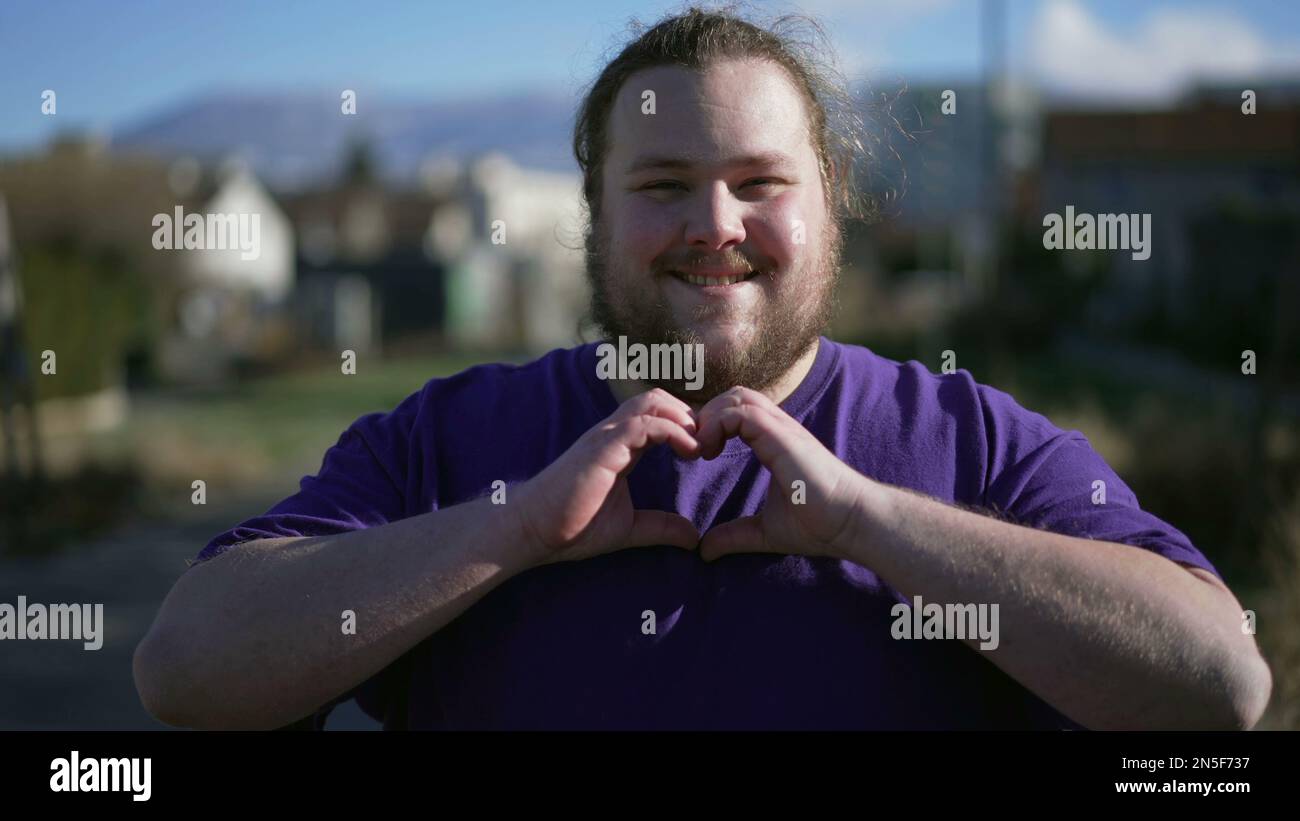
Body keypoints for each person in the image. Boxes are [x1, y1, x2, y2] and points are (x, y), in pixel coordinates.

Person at [133, 7, 1272, 730]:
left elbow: (1219, 682)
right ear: (594, 211)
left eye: (759, 182)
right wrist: (512, 530)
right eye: (663, 183)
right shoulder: (443, 440)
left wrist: (871, 521)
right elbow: (185, 670)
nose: (713, 223)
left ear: (831, 212)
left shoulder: (970, 439)